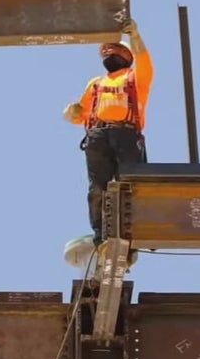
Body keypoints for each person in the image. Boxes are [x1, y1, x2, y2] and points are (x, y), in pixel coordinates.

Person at [63, 18, 154, 245]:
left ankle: (131, 235)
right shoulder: (96, 83)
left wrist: (135, 35)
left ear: (127, 55)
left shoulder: (135, 77)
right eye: (106, 50)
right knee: (98, 189)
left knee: (131, 183)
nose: (108, 52)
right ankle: (102, 237)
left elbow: (144, 59)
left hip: (126, 133)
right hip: (98, 136)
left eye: (115, 49)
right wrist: (71, 112)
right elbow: (79, 114)